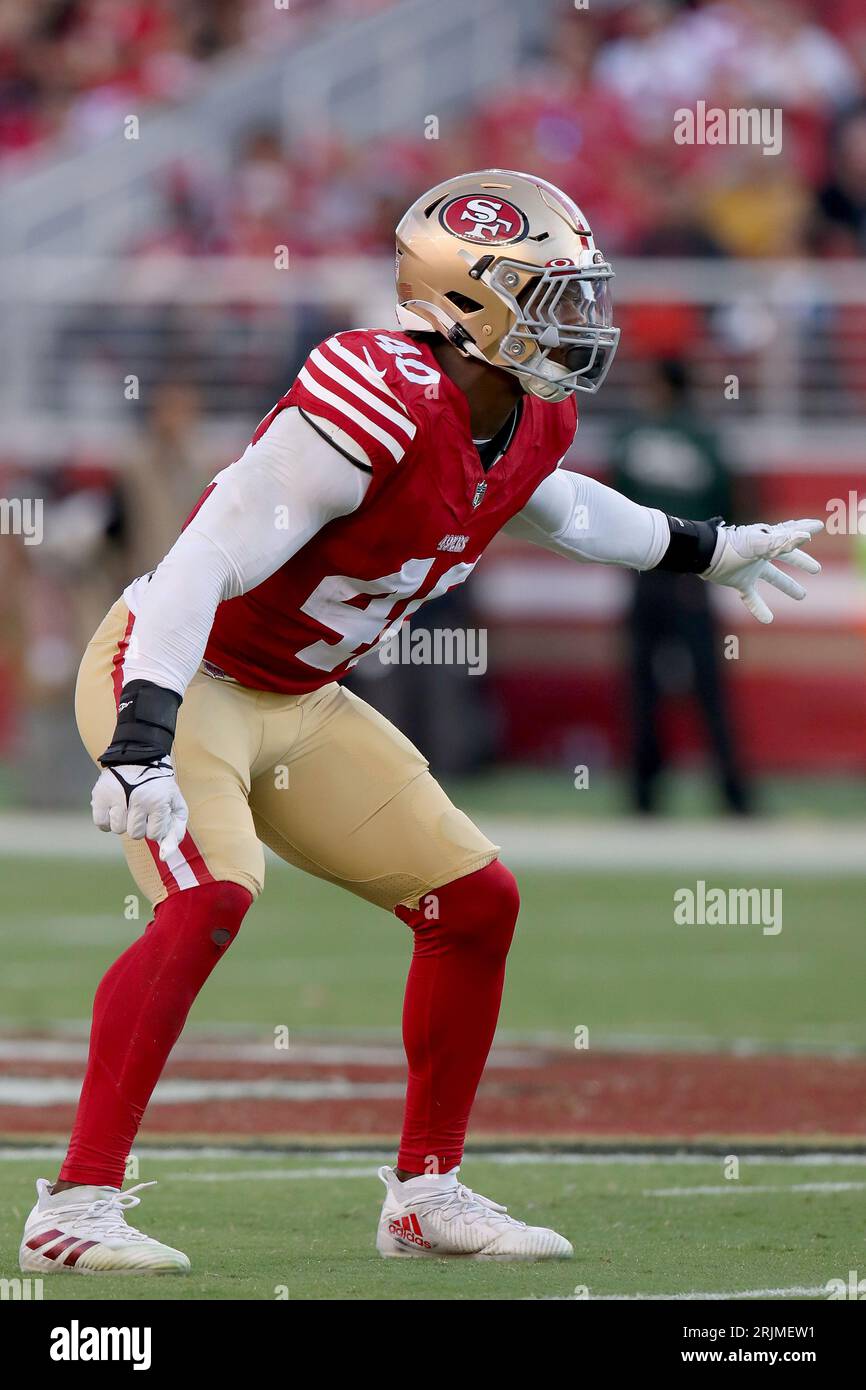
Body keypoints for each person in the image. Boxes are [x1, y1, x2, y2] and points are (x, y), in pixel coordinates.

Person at [18, 170, 821, 1273]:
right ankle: (76, 1203)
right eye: (549, 296)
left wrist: (704, 546)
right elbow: (200, 559)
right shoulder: (374, 394)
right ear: (467, 303)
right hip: (179, 666)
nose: (578, 322)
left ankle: (423, 1193)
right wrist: (142, 733)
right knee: (208, 895)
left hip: (296, 698)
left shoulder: (526, 411)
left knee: (474, 901)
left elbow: (557, 504)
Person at [611, 356, 750, 814]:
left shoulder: (631, 437)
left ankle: (644, 798)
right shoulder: (707, 439)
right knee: (710, 692)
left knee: (643, 692)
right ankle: (735, 797)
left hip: (646, 579)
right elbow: (729, 511)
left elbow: (615, 509)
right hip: (694, 579)